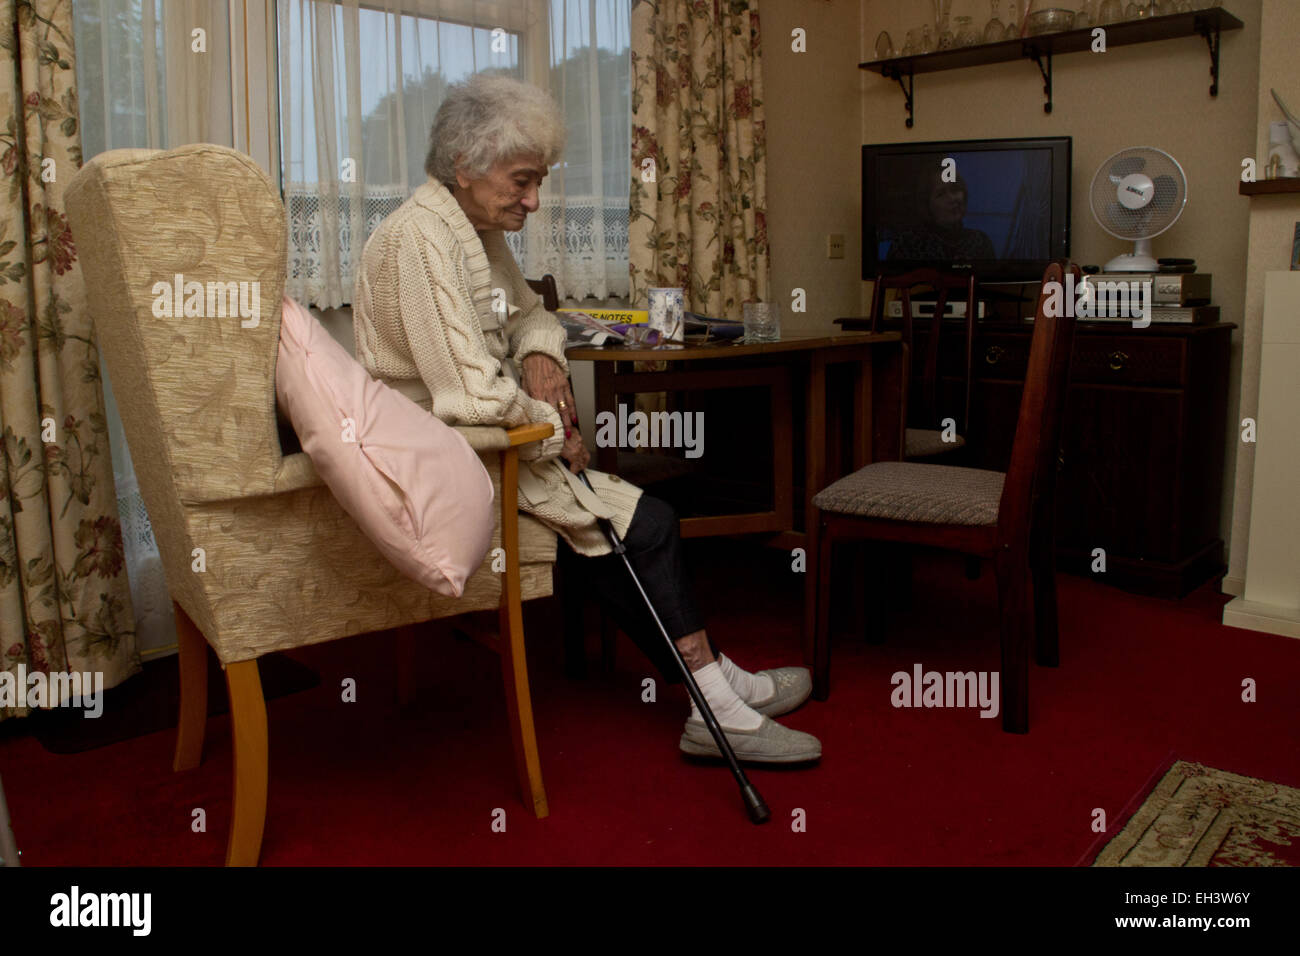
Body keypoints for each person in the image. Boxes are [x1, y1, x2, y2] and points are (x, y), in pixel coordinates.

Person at [352, 75, 820, 764]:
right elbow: (473, 397)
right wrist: (555, 427)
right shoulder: (417, 242)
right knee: (643, 523)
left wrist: (542, 359)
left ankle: (714, 694)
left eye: (539, 180)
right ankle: (716, 699)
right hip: (449, 462)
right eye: (523, 180)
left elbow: (537, 315)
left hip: (494, 444)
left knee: (630, 526)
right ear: (465, 166)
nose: (534, 201)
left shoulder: (474, 234)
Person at [887, 161, 995, 263]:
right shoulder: (907, 243)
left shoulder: (980, 241)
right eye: (941, 194)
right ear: (927, 204)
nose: (953, 198)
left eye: (955, 189)